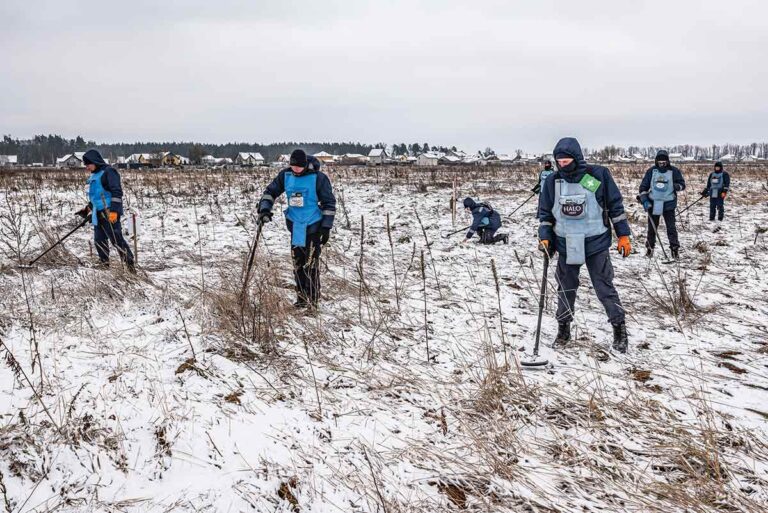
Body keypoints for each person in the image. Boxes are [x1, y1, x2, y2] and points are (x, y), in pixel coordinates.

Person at [537, 137, 631, 353]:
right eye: (559, 162)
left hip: (596, 243)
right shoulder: (553, 181)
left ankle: (619, 328)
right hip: (566, 244)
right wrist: (545, 236)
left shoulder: (593, 177)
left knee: (604, 288)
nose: (563, 165)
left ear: (577, 158)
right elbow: (545, 214)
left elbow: (614, 205)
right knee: (566, 289)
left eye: (567, 161)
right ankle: (563, 328)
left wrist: (623, 234)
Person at [258, 150, 336, 309]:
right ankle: (301, 298)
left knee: (311, 265)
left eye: (298, 167)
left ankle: (312, 301)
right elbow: (270, 192)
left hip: (314, 226)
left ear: (305, 165)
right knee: (298, 264)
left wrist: (326, 227)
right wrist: (264, 209)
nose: (295, 170)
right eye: (292, 166)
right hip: (295, 227)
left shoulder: (319, 178)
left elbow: (329, 203)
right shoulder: (285, 176)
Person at [75, 149, 135, 272]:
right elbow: (96, 196)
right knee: (99, 240)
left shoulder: (109, 172)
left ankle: (130, 265)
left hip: (109, 213)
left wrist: (114, 211)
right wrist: (87, 209)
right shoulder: (94, 175)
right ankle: (104, 265)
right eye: (85, 165)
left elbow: (117, 192)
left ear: (95, 161)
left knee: (117, 240)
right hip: (97, 214)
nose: (86, 167)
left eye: (88, 164)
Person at [638, 150, 686, 259]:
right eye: (660, 162)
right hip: (653, 204)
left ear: (668, 161)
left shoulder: (674, 171)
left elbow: (683, 184)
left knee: (671, 228)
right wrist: (645, 200)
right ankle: (650, 249)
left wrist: (677, 186)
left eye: (664, 161)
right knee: (652, 229)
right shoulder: (651, 171)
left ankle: (674, 250)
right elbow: (643, 188)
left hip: (669, 204)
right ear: (656, 161)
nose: (662, 164)